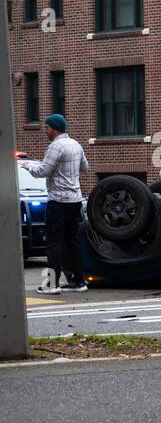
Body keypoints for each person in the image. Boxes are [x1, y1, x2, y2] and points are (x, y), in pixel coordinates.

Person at [28, 114, 89, 294]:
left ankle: (51, 284)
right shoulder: (76, 144)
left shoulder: (55, 146)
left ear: (54, 129)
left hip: (58, 200)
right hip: (75, 200)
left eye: (46, 128)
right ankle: (79, 281)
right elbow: (85, 167)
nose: (45, 131)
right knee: (72, 241)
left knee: (53, 242)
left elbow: (43, 171)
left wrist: (29, 167)